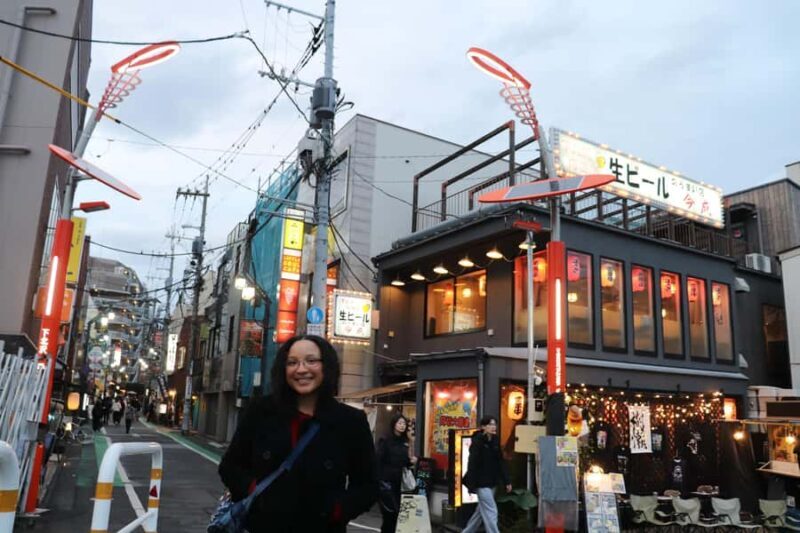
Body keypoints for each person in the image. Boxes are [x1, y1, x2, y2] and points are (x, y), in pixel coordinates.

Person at [219, 335, 377, 532]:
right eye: (292, 362)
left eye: (311, 361)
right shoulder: (261, 411)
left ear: (326, 366)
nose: (301, 369)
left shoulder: (351, 421)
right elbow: (230, 466)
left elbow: (368, 485)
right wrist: (256, 493)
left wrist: (336, 510)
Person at [462, 416, 511, 533]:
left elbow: (500, 461)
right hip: (481, 483)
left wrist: (507, 480)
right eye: (490, 424)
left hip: (492, 482)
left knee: (480, 512)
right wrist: (471, 485)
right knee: (491, 511)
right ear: (483, 427)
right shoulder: (478, 441)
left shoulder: (495, 440)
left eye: (495, 424)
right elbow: (472, 464)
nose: (494, 427)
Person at [377, 413, 417, 533]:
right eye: (399, 423)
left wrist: (412, 461)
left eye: (404, 423)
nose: (402, 426)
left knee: (396, 514)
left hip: (398, 484)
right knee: (390, 513)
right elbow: (378, 460)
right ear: (394, 424)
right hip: (385, 483)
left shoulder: (405, 441)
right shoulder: (385, 439)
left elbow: (406, 463)